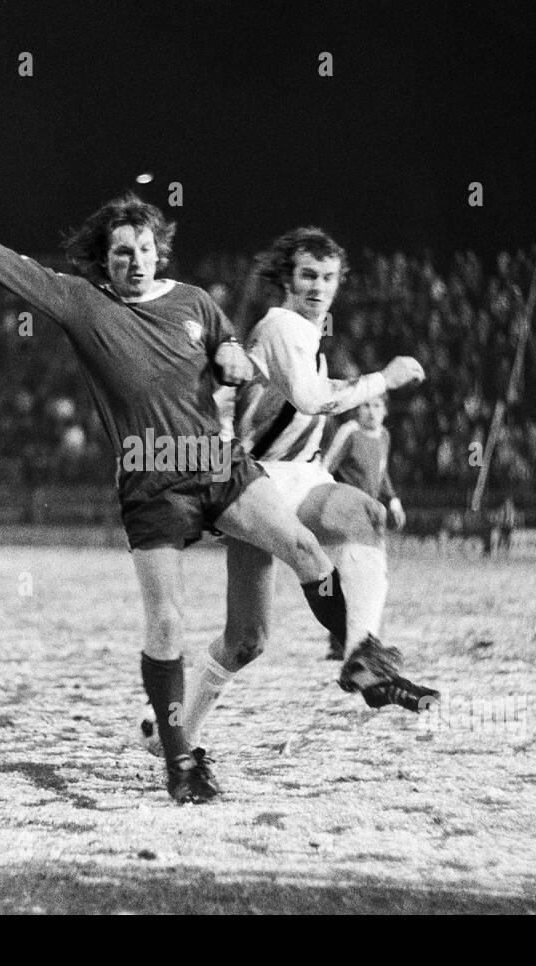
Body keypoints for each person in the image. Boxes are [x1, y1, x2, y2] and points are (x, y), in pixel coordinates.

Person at [0, 177, 406, 804]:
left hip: (219, 469)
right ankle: (179, 758)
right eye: (120, 253)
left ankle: (362, 656)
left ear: (159, 250)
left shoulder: (194, 302)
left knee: (306, 550)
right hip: (152, 480)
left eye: (142, 249)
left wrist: (235, 360)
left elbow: (229, 351)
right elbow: (6, 264)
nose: (133, 262)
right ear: (104, 260)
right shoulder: (84, 304)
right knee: (167, 624)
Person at [142, 227, 438, 758]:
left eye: (328, 278)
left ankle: (174, 731)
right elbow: (308, 397)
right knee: (353, 522)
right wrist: (382, 381)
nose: (318, 287)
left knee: (247, 639)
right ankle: (361, 652)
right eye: (307, 276)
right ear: (287, 280)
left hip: (283, 479)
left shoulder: (307, 338)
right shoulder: (282, 325)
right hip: (257, 478)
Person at [323, 394, 404, 657]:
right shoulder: (350, 433)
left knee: (372, 576)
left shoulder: (384, 437)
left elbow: (381, 476)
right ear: (357, 409)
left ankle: (367, 637)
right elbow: (326, 468)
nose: (370, 411)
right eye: (365, 405)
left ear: (385, 411)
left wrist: (392, 500)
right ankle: (340, 639)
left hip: (372, 515)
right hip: (348, 512)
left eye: (376, 406)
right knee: (348, 574)